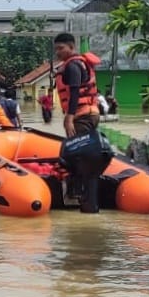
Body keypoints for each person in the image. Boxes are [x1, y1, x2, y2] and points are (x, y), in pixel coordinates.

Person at [53, 33, 103, 212]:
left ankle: (83, 199)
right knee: (79, 156)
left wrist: (69, 117)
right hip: (89, 113)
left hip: (81, 116)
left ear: (71, 47)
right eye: (56, 49)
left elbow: (74, 92)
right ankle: (83, 197)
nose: (58, 52)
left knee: (79, 157)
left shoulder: (73, 66)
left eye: (61, 48)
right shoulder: (80, 63)